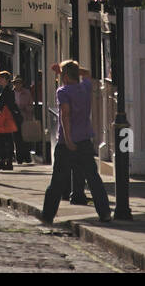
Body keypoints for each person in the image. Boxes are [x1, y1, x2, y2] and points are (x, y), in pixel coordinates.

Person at [41, 61, 111, 225]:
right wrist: (69, 69)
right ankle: (105, 213)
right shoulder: (85, 88)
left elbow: (65, 115)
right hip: (85, 140)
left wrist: (68, 140)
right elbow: (86, 73)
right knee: (93, 178)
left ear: (65, 77)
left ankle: (47, 215)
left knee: (57, 181)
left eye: (61, 75)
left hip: (68, 143)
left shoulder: (63, 91)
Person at [0, 71, 21, 170]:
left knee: (3, 140)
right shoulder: (6, 90)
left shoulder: (6, 91)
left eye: (1, 78)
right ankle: (7, 161)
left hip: (5, 119)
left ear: (5, 80)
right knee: (6, 139)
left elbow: (4, 105)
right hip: (6, 118)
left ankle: (5, 160)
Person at [12, 75, 35, 165]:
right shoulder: (11, 93)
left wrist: (25, 108)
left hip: (24, 118)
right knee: (17, 138)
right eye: (16, 83)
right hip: (14, 118)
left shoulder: (27, 93)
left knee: (25, 137)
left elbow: (31, 105)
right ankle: (19, 157)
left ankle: (27, 156)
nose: (18, 85)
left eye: (19, 83)